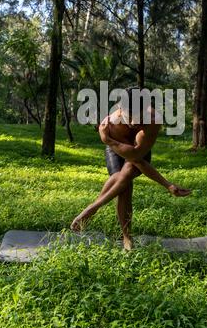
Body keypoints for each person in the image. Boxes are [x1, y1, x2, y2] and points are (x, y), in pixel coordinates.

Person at [71, 87, 191, 250]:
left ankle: (91, 210)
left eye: (139, 116)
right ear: (120, 109)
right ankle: (126, 236)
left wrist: (168, 185)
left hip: (135, 150)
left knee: (126, 175)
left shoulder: (153, 121)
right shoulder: (112, 123)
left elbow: (137, 158)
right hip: (115, 147)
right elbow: (129, 157)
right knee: (125, 185)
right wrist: (110, 142)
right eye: (130, 116)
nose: (135, 122)